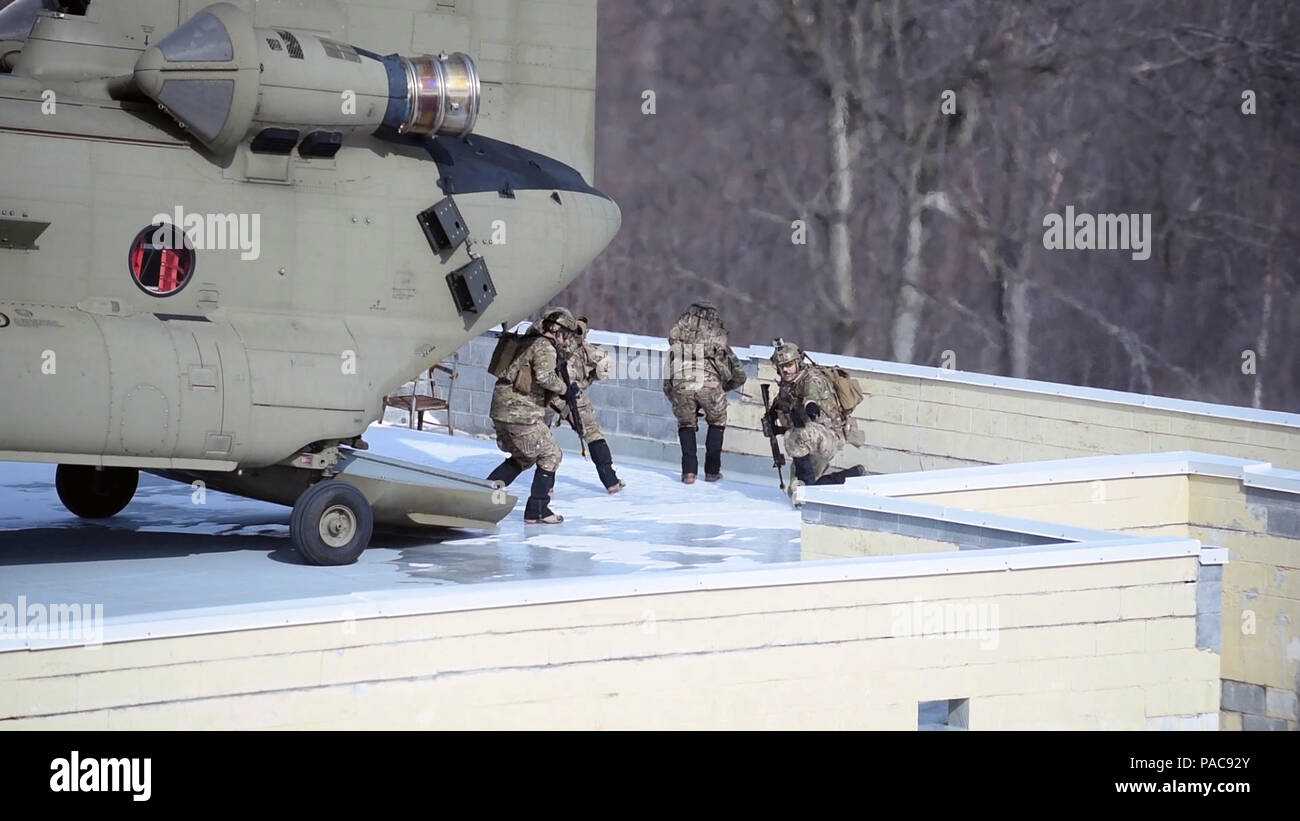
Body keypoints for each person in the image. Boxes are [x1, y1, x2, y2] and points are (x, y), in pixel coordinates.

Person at [484, 307, 582, 524]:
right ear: (557, 331)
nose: (565, 340)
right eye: (565, 335)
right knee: (551, 454)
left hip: (503, 410)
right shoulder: (544, 346)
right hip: (519, 413)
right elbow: (546, 378)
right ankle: (538, 510)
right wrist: (566, 390)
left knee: (523, 458)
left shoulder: (528, 341)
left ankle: (487, 497)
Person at [763, 341, 865, 495]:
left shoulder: (812, 379)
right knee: (795, 491)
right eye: (781, 366)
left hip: (829, 436)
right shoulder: (787, 386)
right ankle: (853, 475)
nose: (786, 369)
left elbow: (811, 396)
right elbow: (786, 413)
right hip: (809, 440)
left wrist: (810, 407)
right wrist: (773, 423)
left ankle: (808, 494)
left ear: (798, 362)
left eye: (789, 364)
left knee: (794, 437)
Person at [662, 301, 747, 483]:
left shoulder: (676, 349)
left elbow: (667, 380)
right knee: (717, 422)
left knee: (686, 425)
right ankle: (712, 471)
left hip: (681, 384)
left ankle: (689, 473)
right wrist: (722, 388)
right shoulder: (718, 347)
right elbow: (739, 374)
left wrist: (676, 397)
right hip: (711, 385)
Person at [552, 316, 626, 493]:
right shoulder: (581, 346)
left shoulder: (547, 343)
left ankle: (546, 487)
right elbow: (606, 363)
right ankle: (610, 480)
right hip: (573, 396)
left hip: (546, 394)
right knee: (592, 433)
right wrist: (590, 378)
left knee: (543, 439)